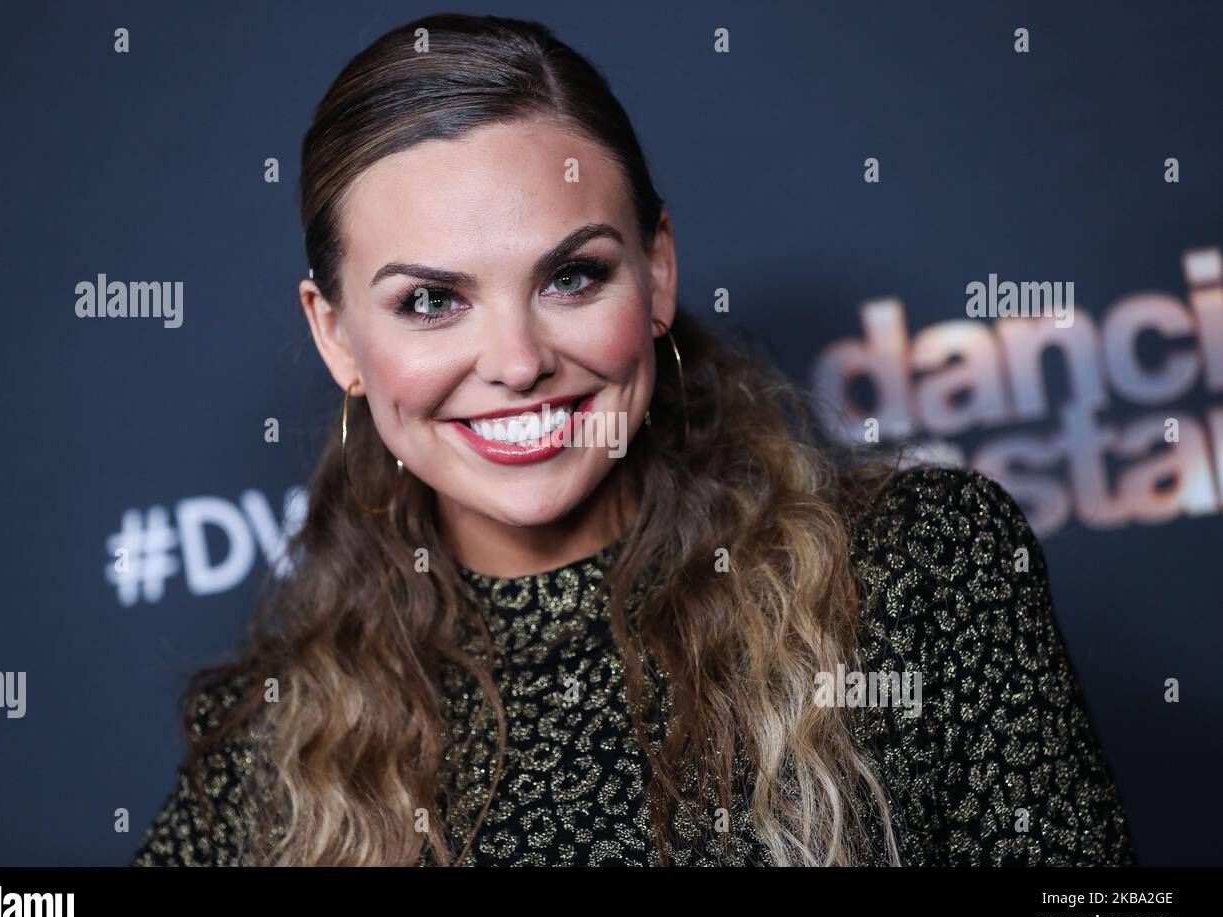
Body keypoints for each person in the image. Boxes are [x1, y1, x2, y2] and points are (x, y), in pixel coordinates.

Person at [131, 13, 1135, 867]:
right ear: (336, 333)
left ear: (656, 273)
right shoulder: (272, 745)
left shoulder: (924, 569)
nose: (516, 359)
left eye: (571, 276)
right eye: (430, 300)